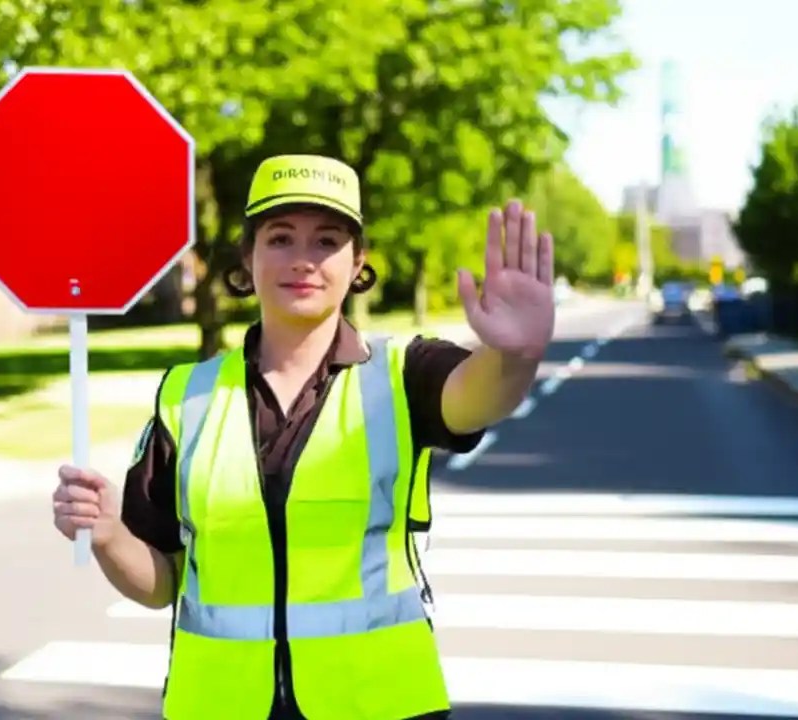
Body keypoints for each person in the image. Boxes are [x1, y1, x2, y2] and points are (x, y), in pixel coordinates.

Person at [52, 153, 556, 720]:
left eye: (327, 241)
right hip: (219, 707)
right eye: (281, 238)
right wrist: (108, 535)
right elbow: (160, 584)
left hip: (378, 705)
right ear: (248, 256)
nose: (303, 261)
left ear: (357, 259)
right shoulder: (184, 397)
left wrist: (516, 355)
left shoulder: (401, 374)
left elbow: (477, 397)